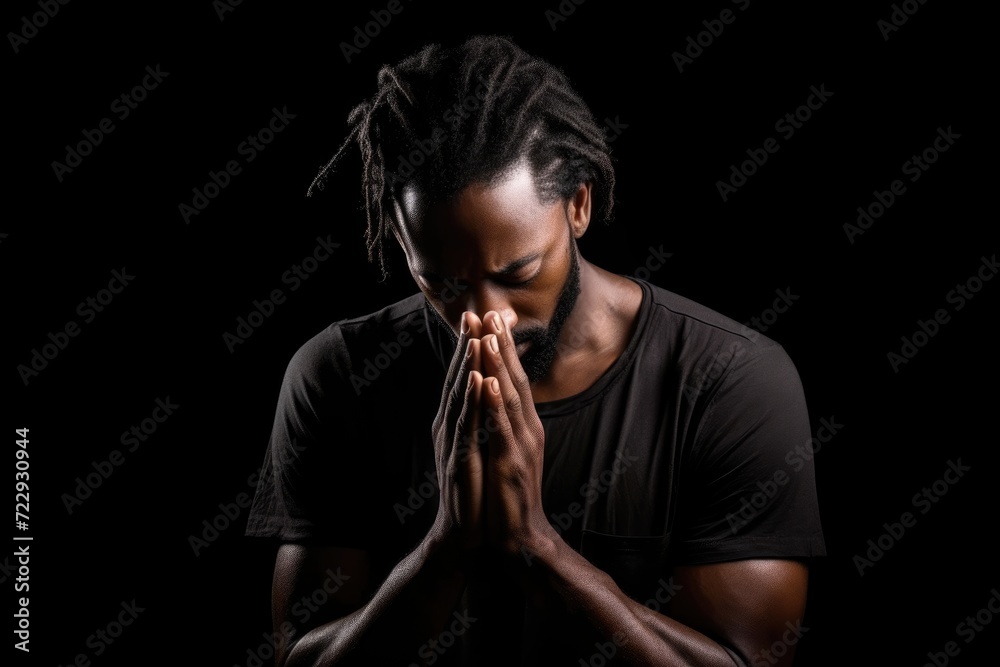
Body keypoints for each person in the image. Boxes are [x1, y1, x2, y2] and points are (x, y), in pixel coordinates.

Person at [245, 35, 825, 667]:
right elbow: (297, 660)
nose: (482, 316)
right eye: (441, 283)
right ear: (399, 239)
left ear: (578, 207)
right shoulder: (336, 376)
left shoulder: (733, 381)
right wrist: (446, 547)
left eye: (519, 274)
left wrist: (535, 546)